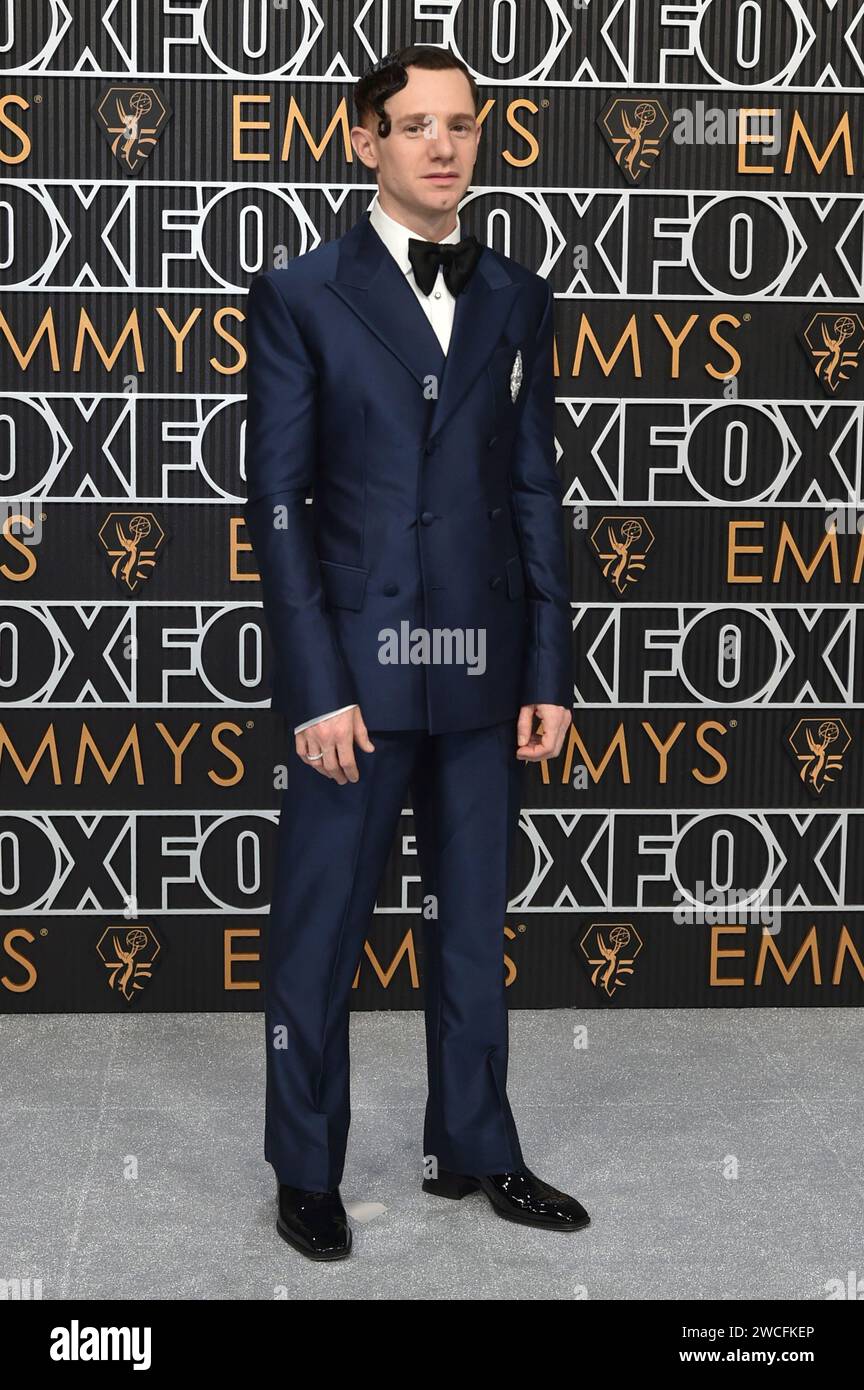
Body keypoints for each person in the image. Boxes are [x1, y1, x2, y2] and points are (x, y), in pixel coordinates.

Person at [244, 44, 590, 1261]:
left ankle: (475, 1148)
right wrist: (317, 688)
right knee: (321, 932)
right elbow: (277, 506)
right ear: (362, 138)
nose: (442, 146)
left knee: (471, 927)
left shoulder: (516, 291)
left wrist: (548, 671)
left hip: (488, 672)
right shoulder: (301, 293)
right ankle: (304, 1169)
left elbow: (536, 485)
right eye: (413, 125)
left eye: (462, 125)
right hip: (360, 671)